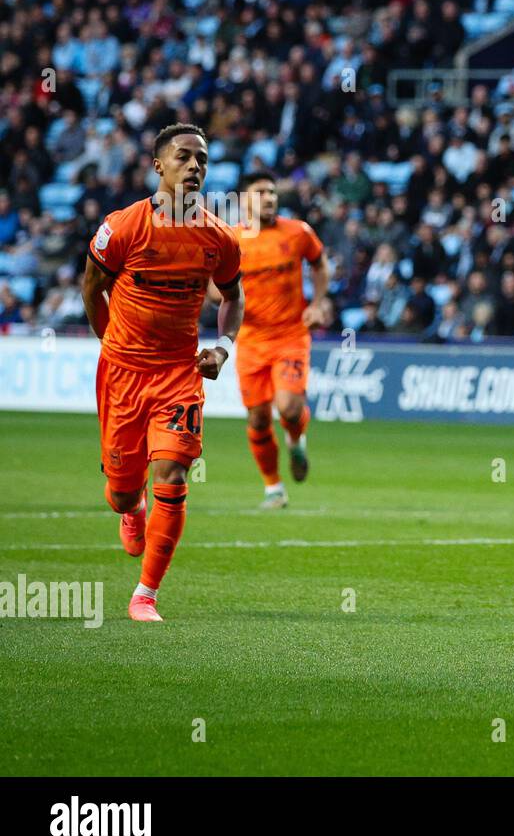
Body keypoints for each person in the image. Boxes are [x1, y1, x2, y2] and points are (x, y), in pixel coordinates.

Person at [81, 123, 244, 622]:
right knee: (123, 492)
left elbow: (234, 297)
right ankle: (132, 511)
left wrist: (222, 347)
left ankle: (145, 594)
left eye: (202, 160)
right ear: (158, 165)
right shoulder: (124, 227)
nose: (195, 166)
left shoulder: (218, 237)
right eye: (183, 157)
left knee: (172, 475)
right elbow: (92, 288)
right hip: (123, 375)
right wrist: (110, 341)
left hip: (178, 375)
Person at [223, 171, 330, 508]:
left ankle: (296, 441)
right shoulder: (232, 239)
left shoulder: (298, 232)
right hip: (250, 340)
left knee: (288, 407)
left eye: (272, 191)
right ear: (244, 200)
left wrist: (318, 303)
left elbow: (320, 263)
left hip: (290, 336)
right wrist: (218, 295)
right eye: (260, 192)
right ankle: (273, 488)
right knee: (256, 418)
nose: (269, 197)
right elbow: (214, 283)